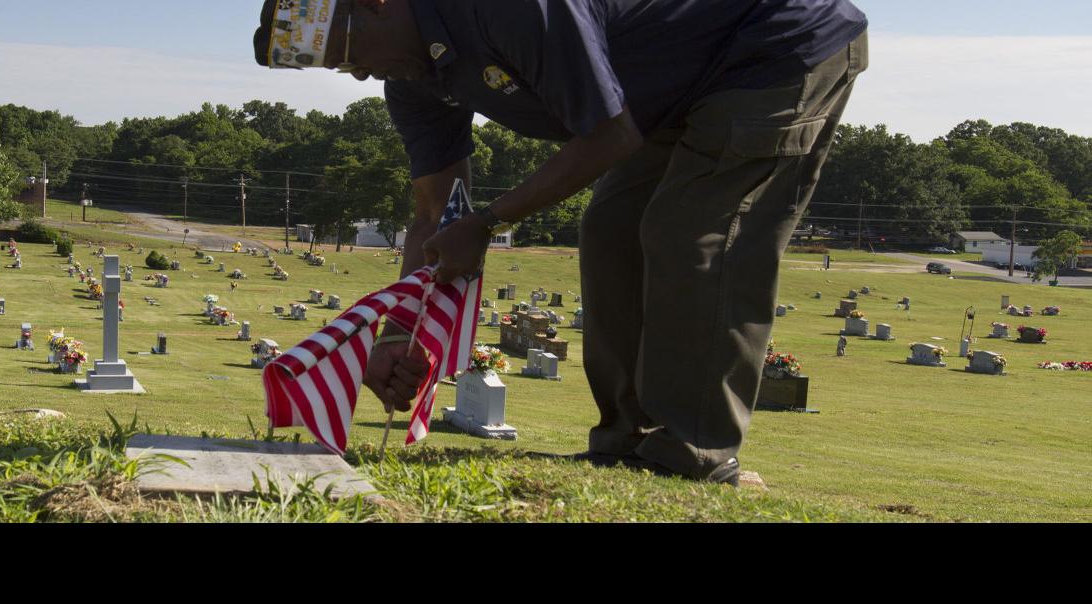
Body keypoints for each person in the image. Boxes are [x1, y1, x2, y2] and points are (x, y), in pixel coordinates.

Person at [255, 0, 868, 484]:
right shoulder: (415, 79)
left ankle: (696, 452)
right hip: (666, 91)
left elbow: (608, 137)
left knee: (691, 234)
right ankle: (624, 440)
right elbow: (436, 213)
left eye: (348, 52)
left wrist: (487, 222)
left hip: (772, 44)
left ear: (378, 3)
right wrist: (399, 331)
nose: (360, 73)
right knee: (608, 231)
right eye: (341, 69)